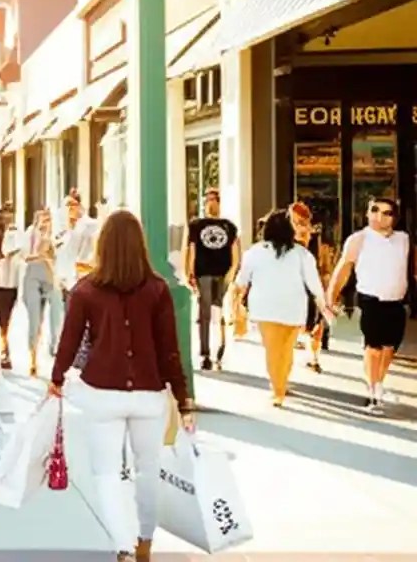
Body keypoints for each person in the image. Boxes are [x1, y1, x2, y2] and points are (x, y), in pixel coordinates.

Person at [49, 210, 194, 562]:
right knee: (148, 470)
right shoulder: (158, 289)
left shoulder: (86, 290)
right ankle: (145, 541)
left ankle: (122, 544)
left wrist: (55, 378)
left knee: (107, 473)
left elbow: (68, 343)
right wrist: (184, 398)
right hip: (148, 395)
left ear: (104, 245)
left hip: (102, 394)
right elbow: (169, 350)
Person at [231, 209, 331, 408]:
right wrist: (324, 306)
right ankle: (281, 382)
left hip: (264, 308)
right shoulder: (302, 254)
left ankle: (277, 389)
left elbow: (241, 281)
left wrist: (235, 304)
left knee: (272, 349)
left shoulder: (254, 252)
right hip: (293, 308)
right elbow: (314, 284)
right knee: (286, 349)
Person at [326, 196, 411, 415]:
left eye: (386, 212)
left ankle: (379, 382)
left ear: (394, 218)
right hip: (370, 300)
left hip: (396, 301)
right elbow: (343, 268)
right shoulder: (359, 239)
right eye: (374, 210)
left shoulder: (403, 239)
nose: (379, 216)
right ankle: (373, 390)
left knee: (389, 348)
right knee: (373, 348)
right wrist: (331, 296)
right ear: (367, 213)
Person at [182, 187, 240, 371]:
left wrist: (232, 272)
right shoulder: (196, 225)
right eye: (207, 199)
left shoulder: (229, 226)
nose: (211, 202)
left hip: (222, 273)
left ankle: (219, 351)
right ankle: (205, 354)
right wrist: (188, 273)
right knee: (205, 313)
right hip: (203, 273)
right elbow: (191, 249)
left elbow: (235, 251)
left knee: (220, 313)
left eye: (214, 199)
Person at [21, 208, 63, 376]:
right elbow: (25, 256)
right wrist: (40, 253)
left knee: (56, 316)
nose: (45, 223)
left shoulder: (57, 235)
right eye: (42, 220)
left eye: (48, 219)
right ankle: (33, 358)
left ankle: (55, 350)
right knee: (34, 319)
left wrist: (51, 248)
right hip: (33, 276)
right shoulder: (30, 233)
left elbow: (60, 257)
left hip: (51, 278)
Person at [289, 202, 328, 372]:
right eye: (295, 222)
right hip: (291, 287)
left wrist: (327, 288)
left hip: (312, 286)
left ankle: (313, 358)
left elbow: (323, 264)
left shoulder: (316, 239)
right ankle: (285, 367)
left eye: (303, 222)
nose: (299, 226)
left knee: (316, 325)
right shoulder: (285, 241)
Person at [0, 208, 22, 370]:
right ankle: (3, 351)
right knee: (3, 318)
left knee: (4, 319)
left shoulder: (13, 235)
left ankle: (3, 350)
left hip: (9, 281)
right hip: (0, 281)